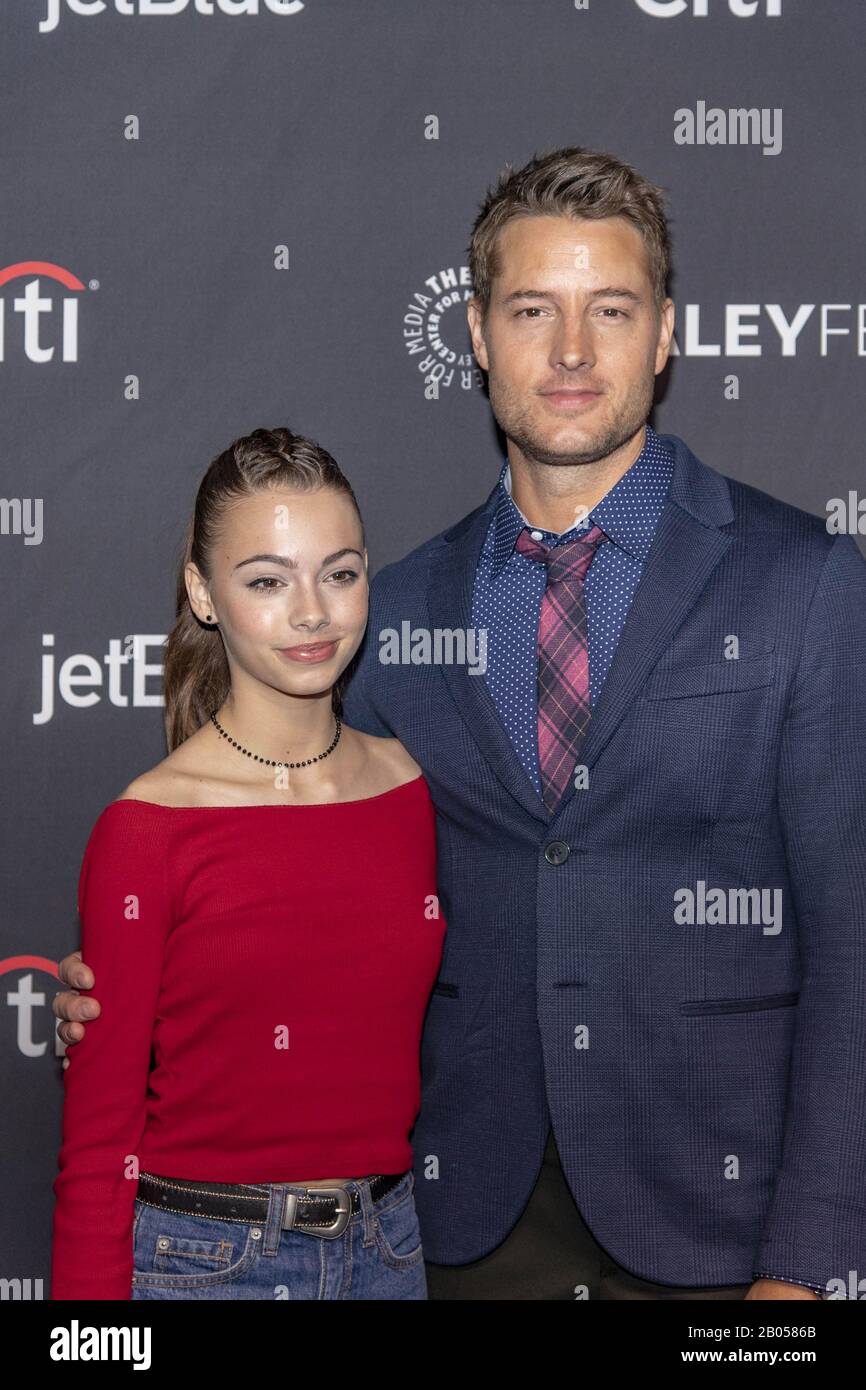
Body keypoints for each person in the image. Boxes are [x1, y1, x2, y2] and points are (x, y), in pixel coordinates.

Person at [57, 146, 866, 1301]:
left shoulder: (803, 581)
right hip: (452, 1233)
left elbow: (852, 947)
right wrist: (132, 964)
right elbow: (301, 849)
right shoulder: (390, 612)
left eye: (611, 309)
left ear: (667, 333)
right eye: (534, 309)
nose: (573, 351)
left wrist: (807, 1269)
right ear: (479, 334)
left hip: (722, 1238)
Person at [50, 427, 445, 1300]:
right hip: (205, 1263)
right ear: (202, 591)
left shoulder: (406, 788)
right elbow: (97, 1144)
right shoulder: (147, 827)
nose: (312, 612)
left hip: (391, 1251)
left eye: (338, 573)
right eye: (267, 581)